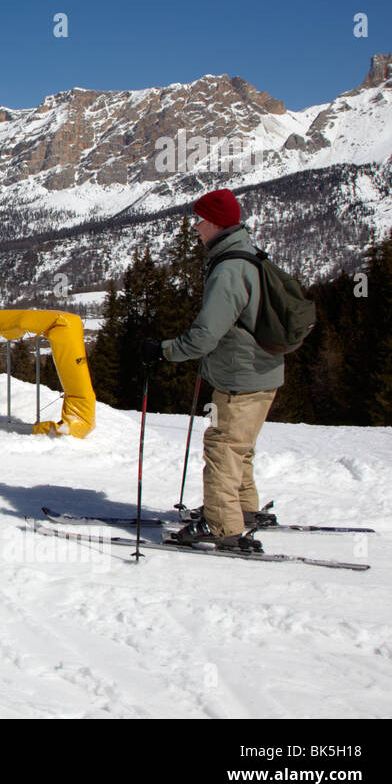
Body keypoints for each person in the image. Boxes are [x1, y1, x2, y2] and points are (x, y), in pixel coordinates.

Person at [142, 189, 284, 551]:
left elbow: (205, 334)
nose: (196, 227)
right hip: (262, 372)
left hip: (241, 376)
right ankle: (243, 508)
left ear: (217, 223)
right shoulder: (249, 254)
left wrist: (163, 351)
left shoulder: (229, 269)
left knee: (222, 448)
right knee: (239, 447)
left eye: (200, 220)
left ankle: (222, 525)